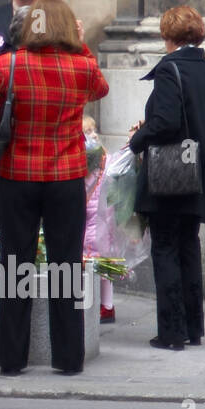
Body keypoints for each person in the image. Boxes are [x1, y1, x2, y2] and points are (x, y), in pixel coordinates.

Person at [0, 0, 108, 374]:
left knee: (15, 263)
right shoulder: (82, 66)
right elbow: (101, 89)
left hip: (18, 174)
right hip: (65, 176)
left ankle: (11, 358)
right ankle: (69, 357)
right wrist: (81, 43)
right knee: (66, 264)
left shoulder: (9, 64)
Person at [128, 5, 205, 351]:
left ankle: (171, 332)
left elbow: (166, 122)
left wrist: (137, 139)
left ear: (167, 35)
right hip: (197, 173)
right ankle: (193, 328)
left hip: (170, 174)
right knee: (188, 247)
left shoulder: (170, 69)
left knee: (166, 249)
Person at [82, 115, 117, 324]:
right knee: (103, 262)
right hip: (101, 217)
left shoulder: (95, 158)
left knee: (94, 261)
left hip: (93, 217)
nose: (93, 134)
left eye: (93, 130)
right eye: (87, 131)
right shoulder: (105, 157)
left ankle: (104, 305)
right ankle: (107, 305)